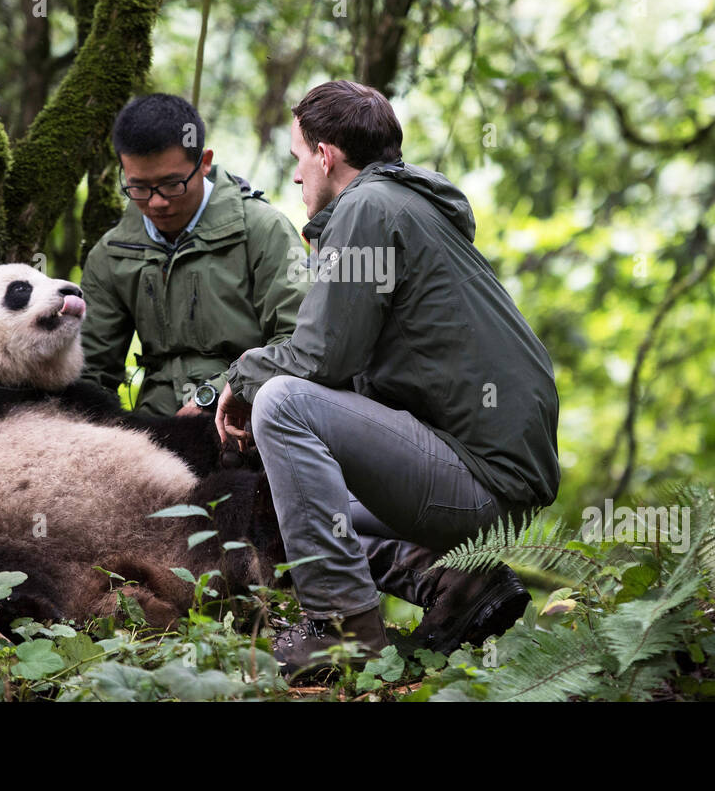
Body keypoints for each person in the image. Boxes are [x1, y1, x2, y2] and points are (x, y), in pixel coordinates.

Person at [216, 80, 562, 680]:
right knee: (290, 499)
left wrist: (242, 377)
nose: (296, 177)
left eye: (299, 157)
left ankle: (343, 633)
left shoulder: (368, 208)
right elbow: (351, 371)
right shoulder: (406, 207)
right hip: (483, 483)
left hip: (478, 485)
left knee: (279, 403)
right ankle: (460, 582)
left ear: (325, 155)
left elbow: (318, 361)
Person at [79, 93, 307, 416]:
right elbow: (90, 373)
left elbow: (296, 342)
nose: (156, 202)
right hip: (154, 429)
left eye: (172, 184)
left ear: (204, 162)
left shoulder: (263, 231)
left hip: (249, 415)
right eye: (139, 188)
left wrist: (214, 396)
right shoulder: (113, 253)